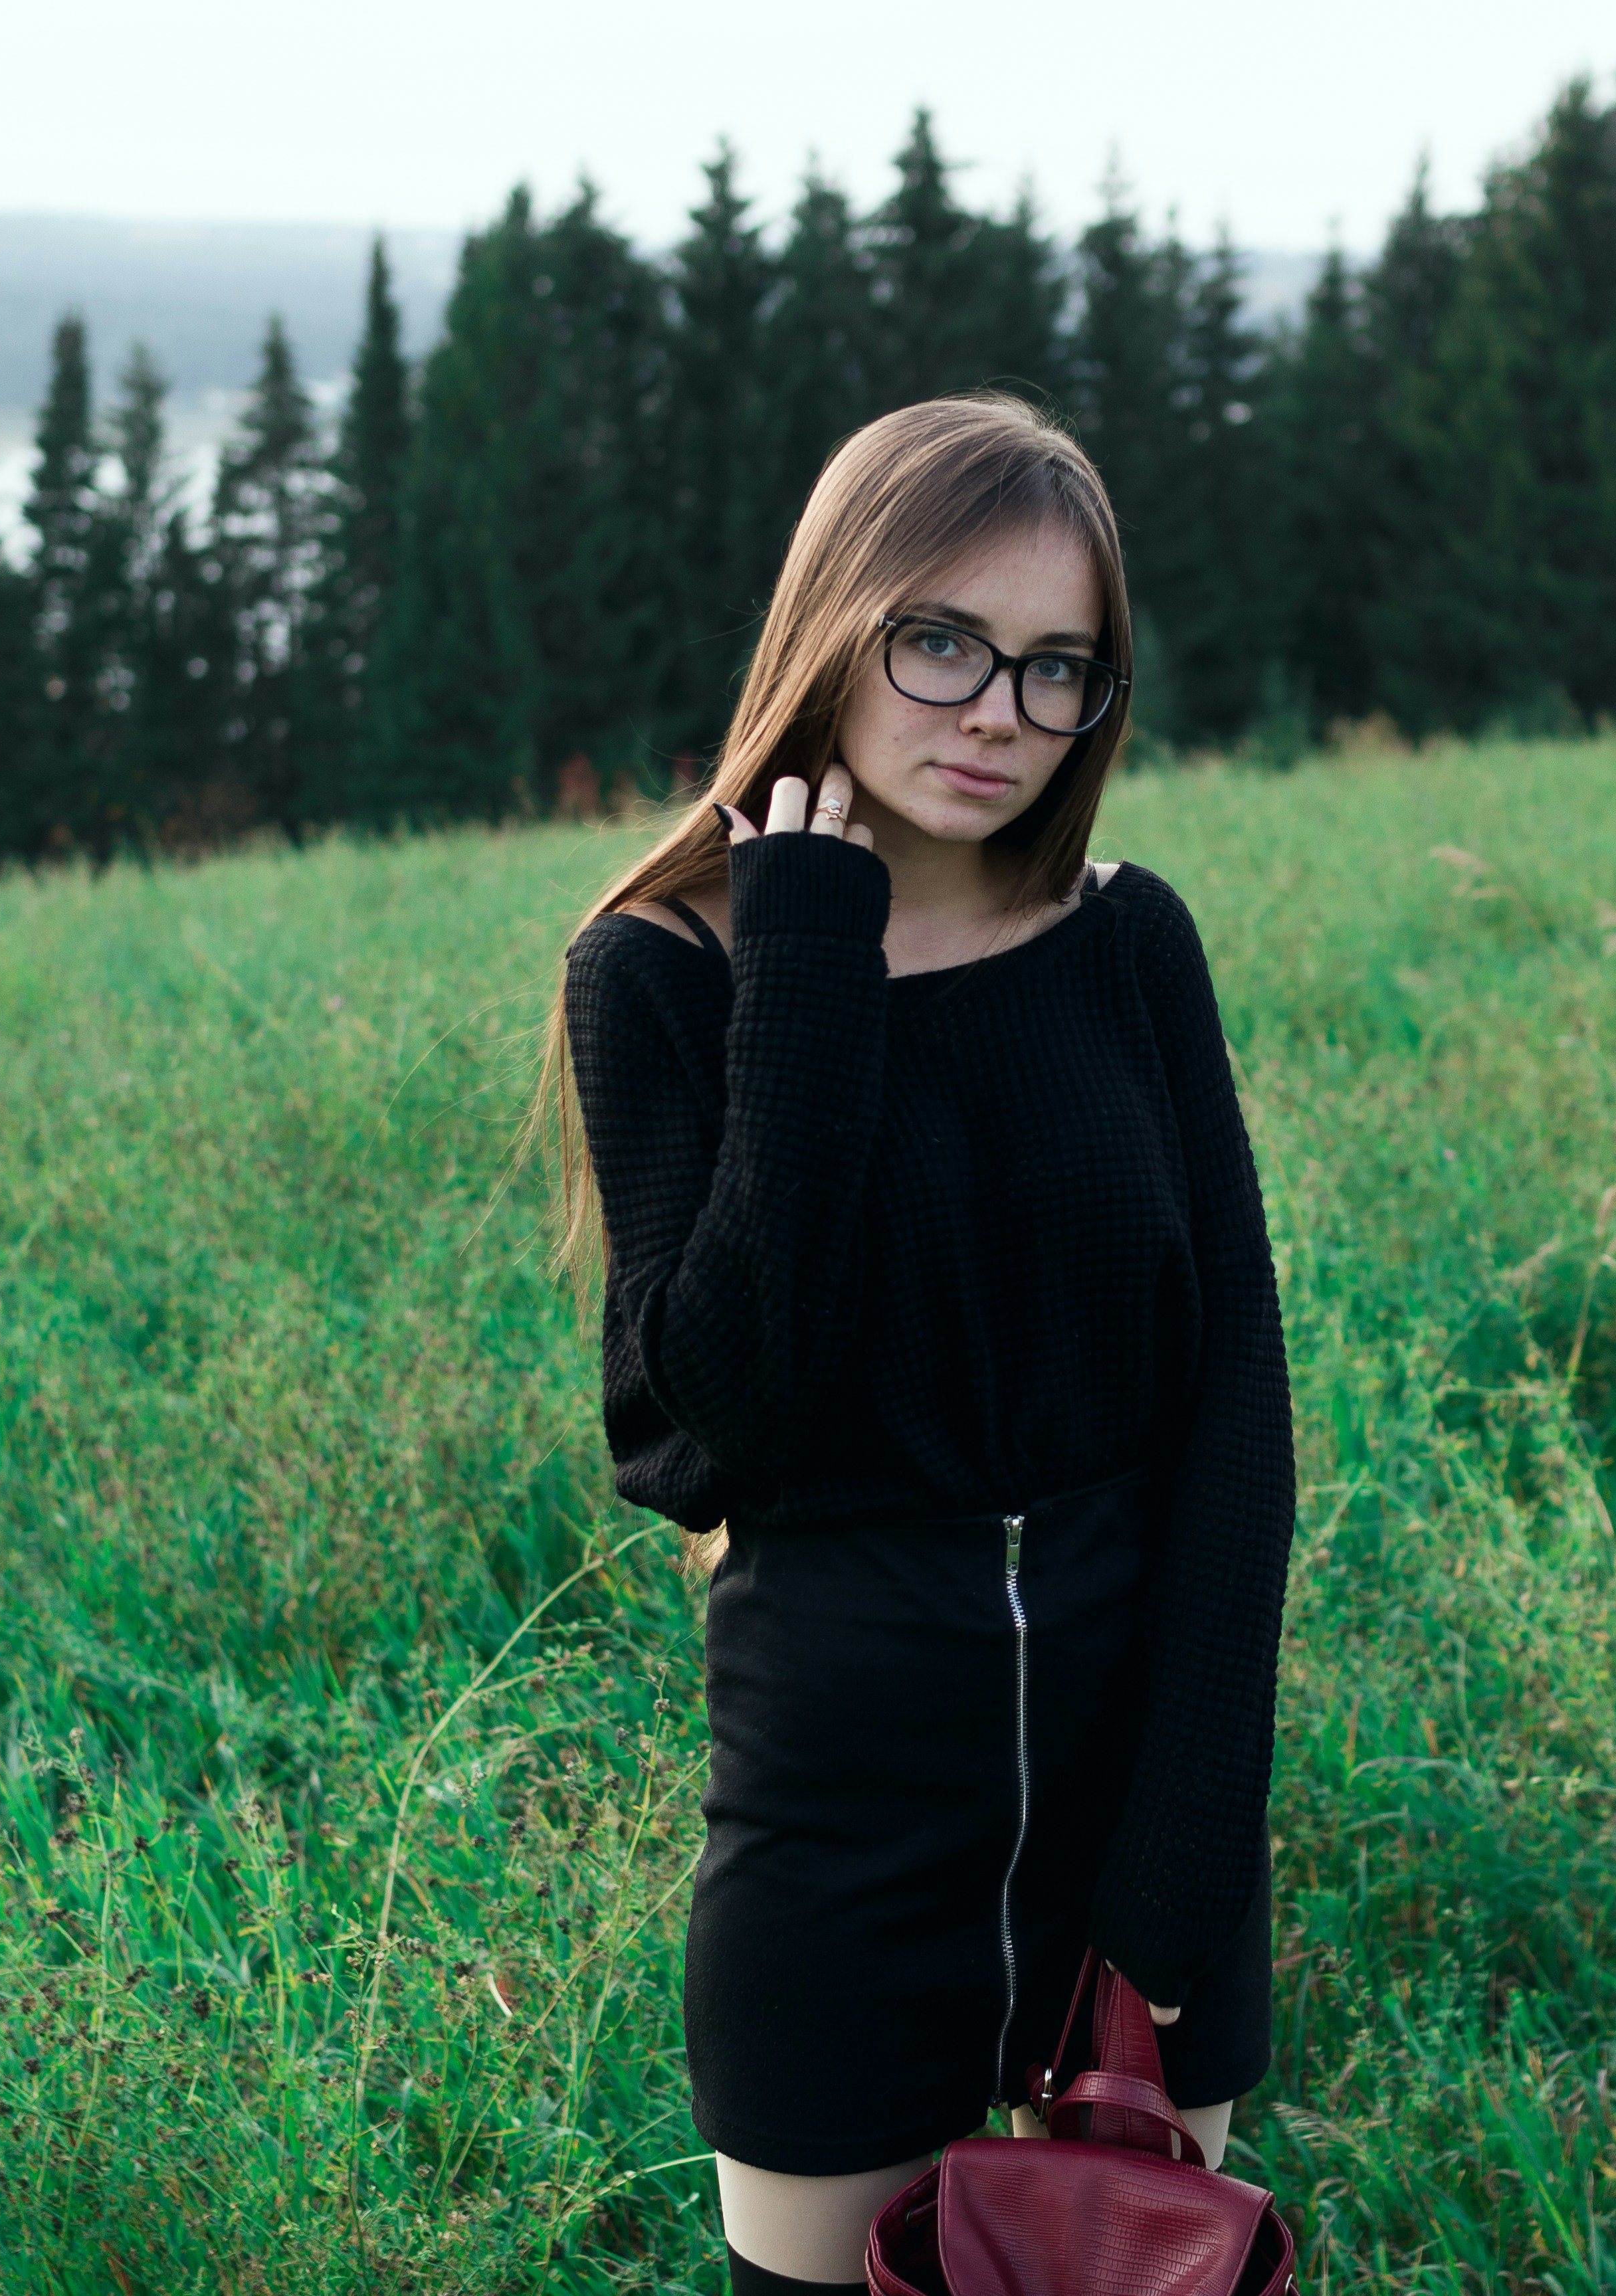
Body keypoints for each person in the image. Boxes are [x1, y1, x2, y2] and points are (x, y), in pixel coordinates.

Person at [547, 394, 1294, 2293]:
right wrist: (808, 974)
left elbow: (1236, 1421)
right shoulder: (667, 973)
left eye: (1061, 672)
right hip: (840, 1835)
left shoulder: (1131, 944)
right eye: (945, 644)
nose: (999, 717)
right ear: (835, 623)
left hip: (1148, 1802)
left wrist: (1186, 1864)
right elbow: (714, 1433)